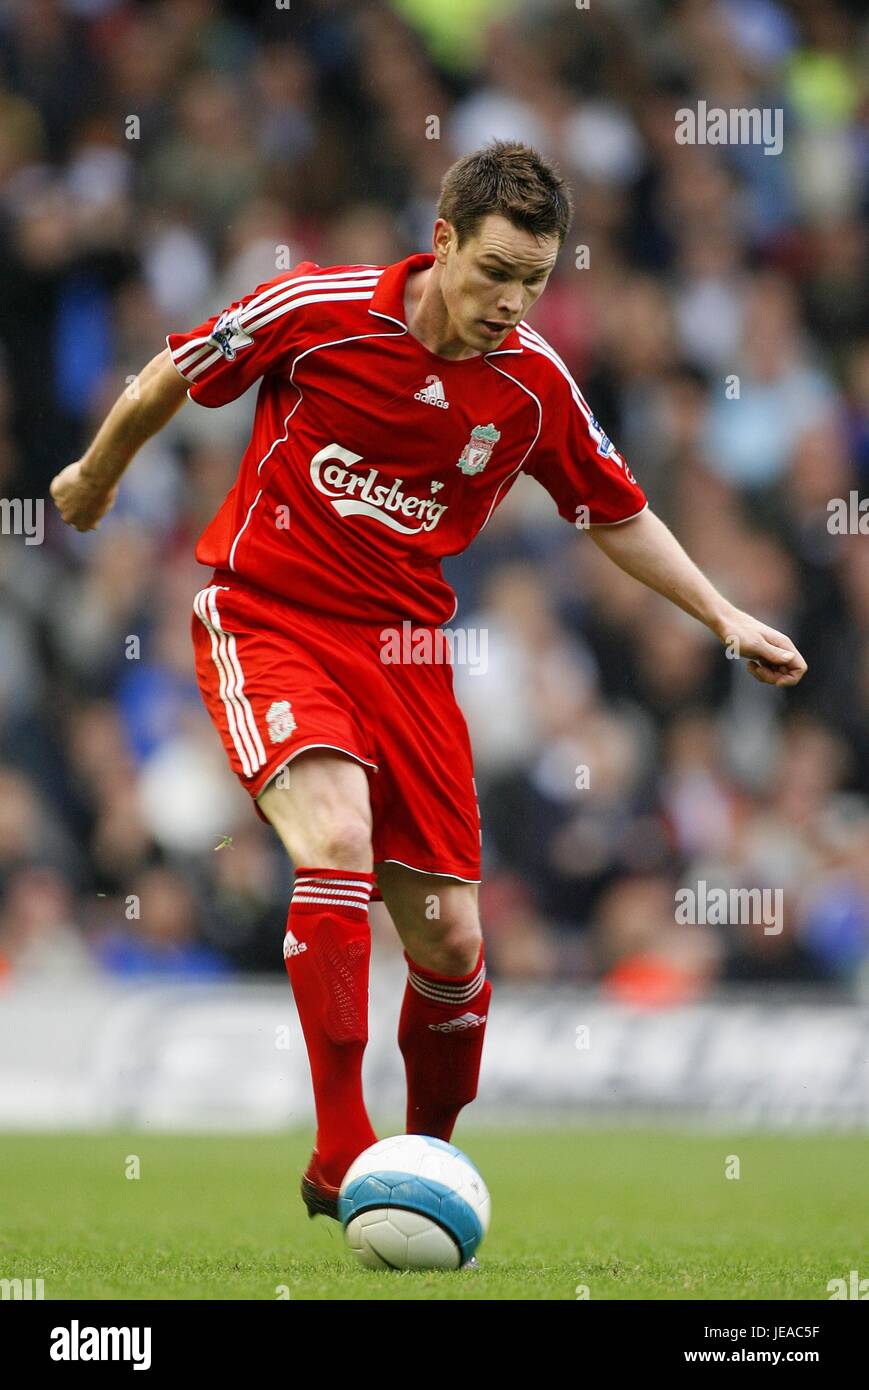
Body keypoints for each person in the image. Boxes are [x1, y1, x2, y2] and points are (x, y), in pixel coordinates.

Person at [50, 141, 807, 1219]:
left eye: (533, 281)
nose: (510, 301)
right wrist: (94, 474)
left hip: (405, 655)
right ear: (441, 240)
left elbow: (614, 511)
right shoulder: (316, 308)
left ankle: (420, 1173)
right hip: (268, 616)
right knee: (338, 841)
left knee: (451, 941)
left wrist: (724, 615)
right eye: (493, 270)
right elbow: (177, 368)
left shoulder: (533, 385)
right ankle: (338, 1149)